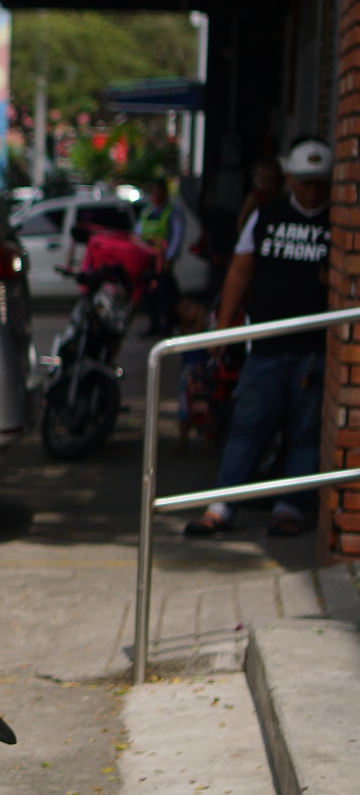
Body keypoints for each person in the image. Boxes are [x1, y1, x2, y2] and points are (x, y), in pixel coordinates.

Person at [185, 138, 333, 538]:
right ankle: (222, 506)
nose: (312, 191)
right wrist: (222, 328)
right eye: (305, 183)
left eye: (319, 183)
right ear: (290, 181)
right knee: (247, 427)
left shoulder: (339, 222)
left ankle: (290, 508)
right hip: (266, 345)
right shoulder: (267, 216)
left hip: (314, 351)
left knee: (304, 434)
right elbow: (240, 271)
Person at [137, 178, 186, 336]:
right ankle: (155, 325)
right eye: (154, 191)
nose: (155, 195)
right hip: (148, 260)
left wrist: (169, 258)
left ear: (165, 193)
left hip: (163, 261)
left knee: (166, 294)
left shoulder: (173, 213)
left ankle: (169, 326)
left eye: (158, 191)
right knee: (150, 294)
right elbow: (138, 233)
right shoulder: (148, 211)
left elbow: (177, 237)